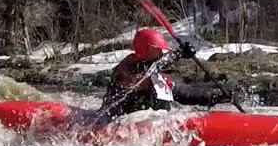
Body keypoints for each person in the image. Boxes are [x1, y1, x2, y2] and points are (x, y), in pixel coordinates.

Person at [94, 27, 228, 125]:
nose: (160, 54)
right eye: (157, 50)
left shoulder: (154, 76)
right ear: (146, 50)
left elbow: (180, 93)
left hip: (145, 124)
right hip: (116, 123)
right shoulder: (126, 70)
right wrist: (178, 54)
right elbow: (147, 71)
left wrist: (213, 97)